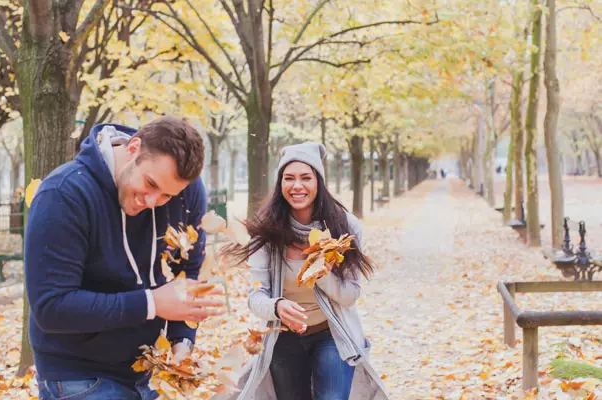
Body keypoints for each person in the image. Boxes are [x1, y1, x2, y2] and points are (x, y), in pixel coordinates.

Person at [25, 117, 224, 400]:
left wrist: (182, 343)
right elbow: (51, 307)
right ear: (133, 148)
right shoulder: (63, 194)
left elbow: (188, 271)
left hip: (149, 368)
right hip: (78, 375)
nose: (153, 201)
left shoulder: (186, 192)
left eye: (167, 195)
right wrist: (153, 303)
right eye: (150, 183)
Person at [219, 142, 389, 400]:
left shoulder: (345, 226)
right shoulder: (266, 232)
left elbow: (350, 295)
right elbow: (256, 297)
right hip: (283, 338)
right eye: (289, 178)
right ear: (280, 184)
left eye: (305, 178)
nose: (297, 186)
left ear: (318, 182)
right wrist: (277, 307)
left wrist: (321, 275)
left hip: (332, 334)